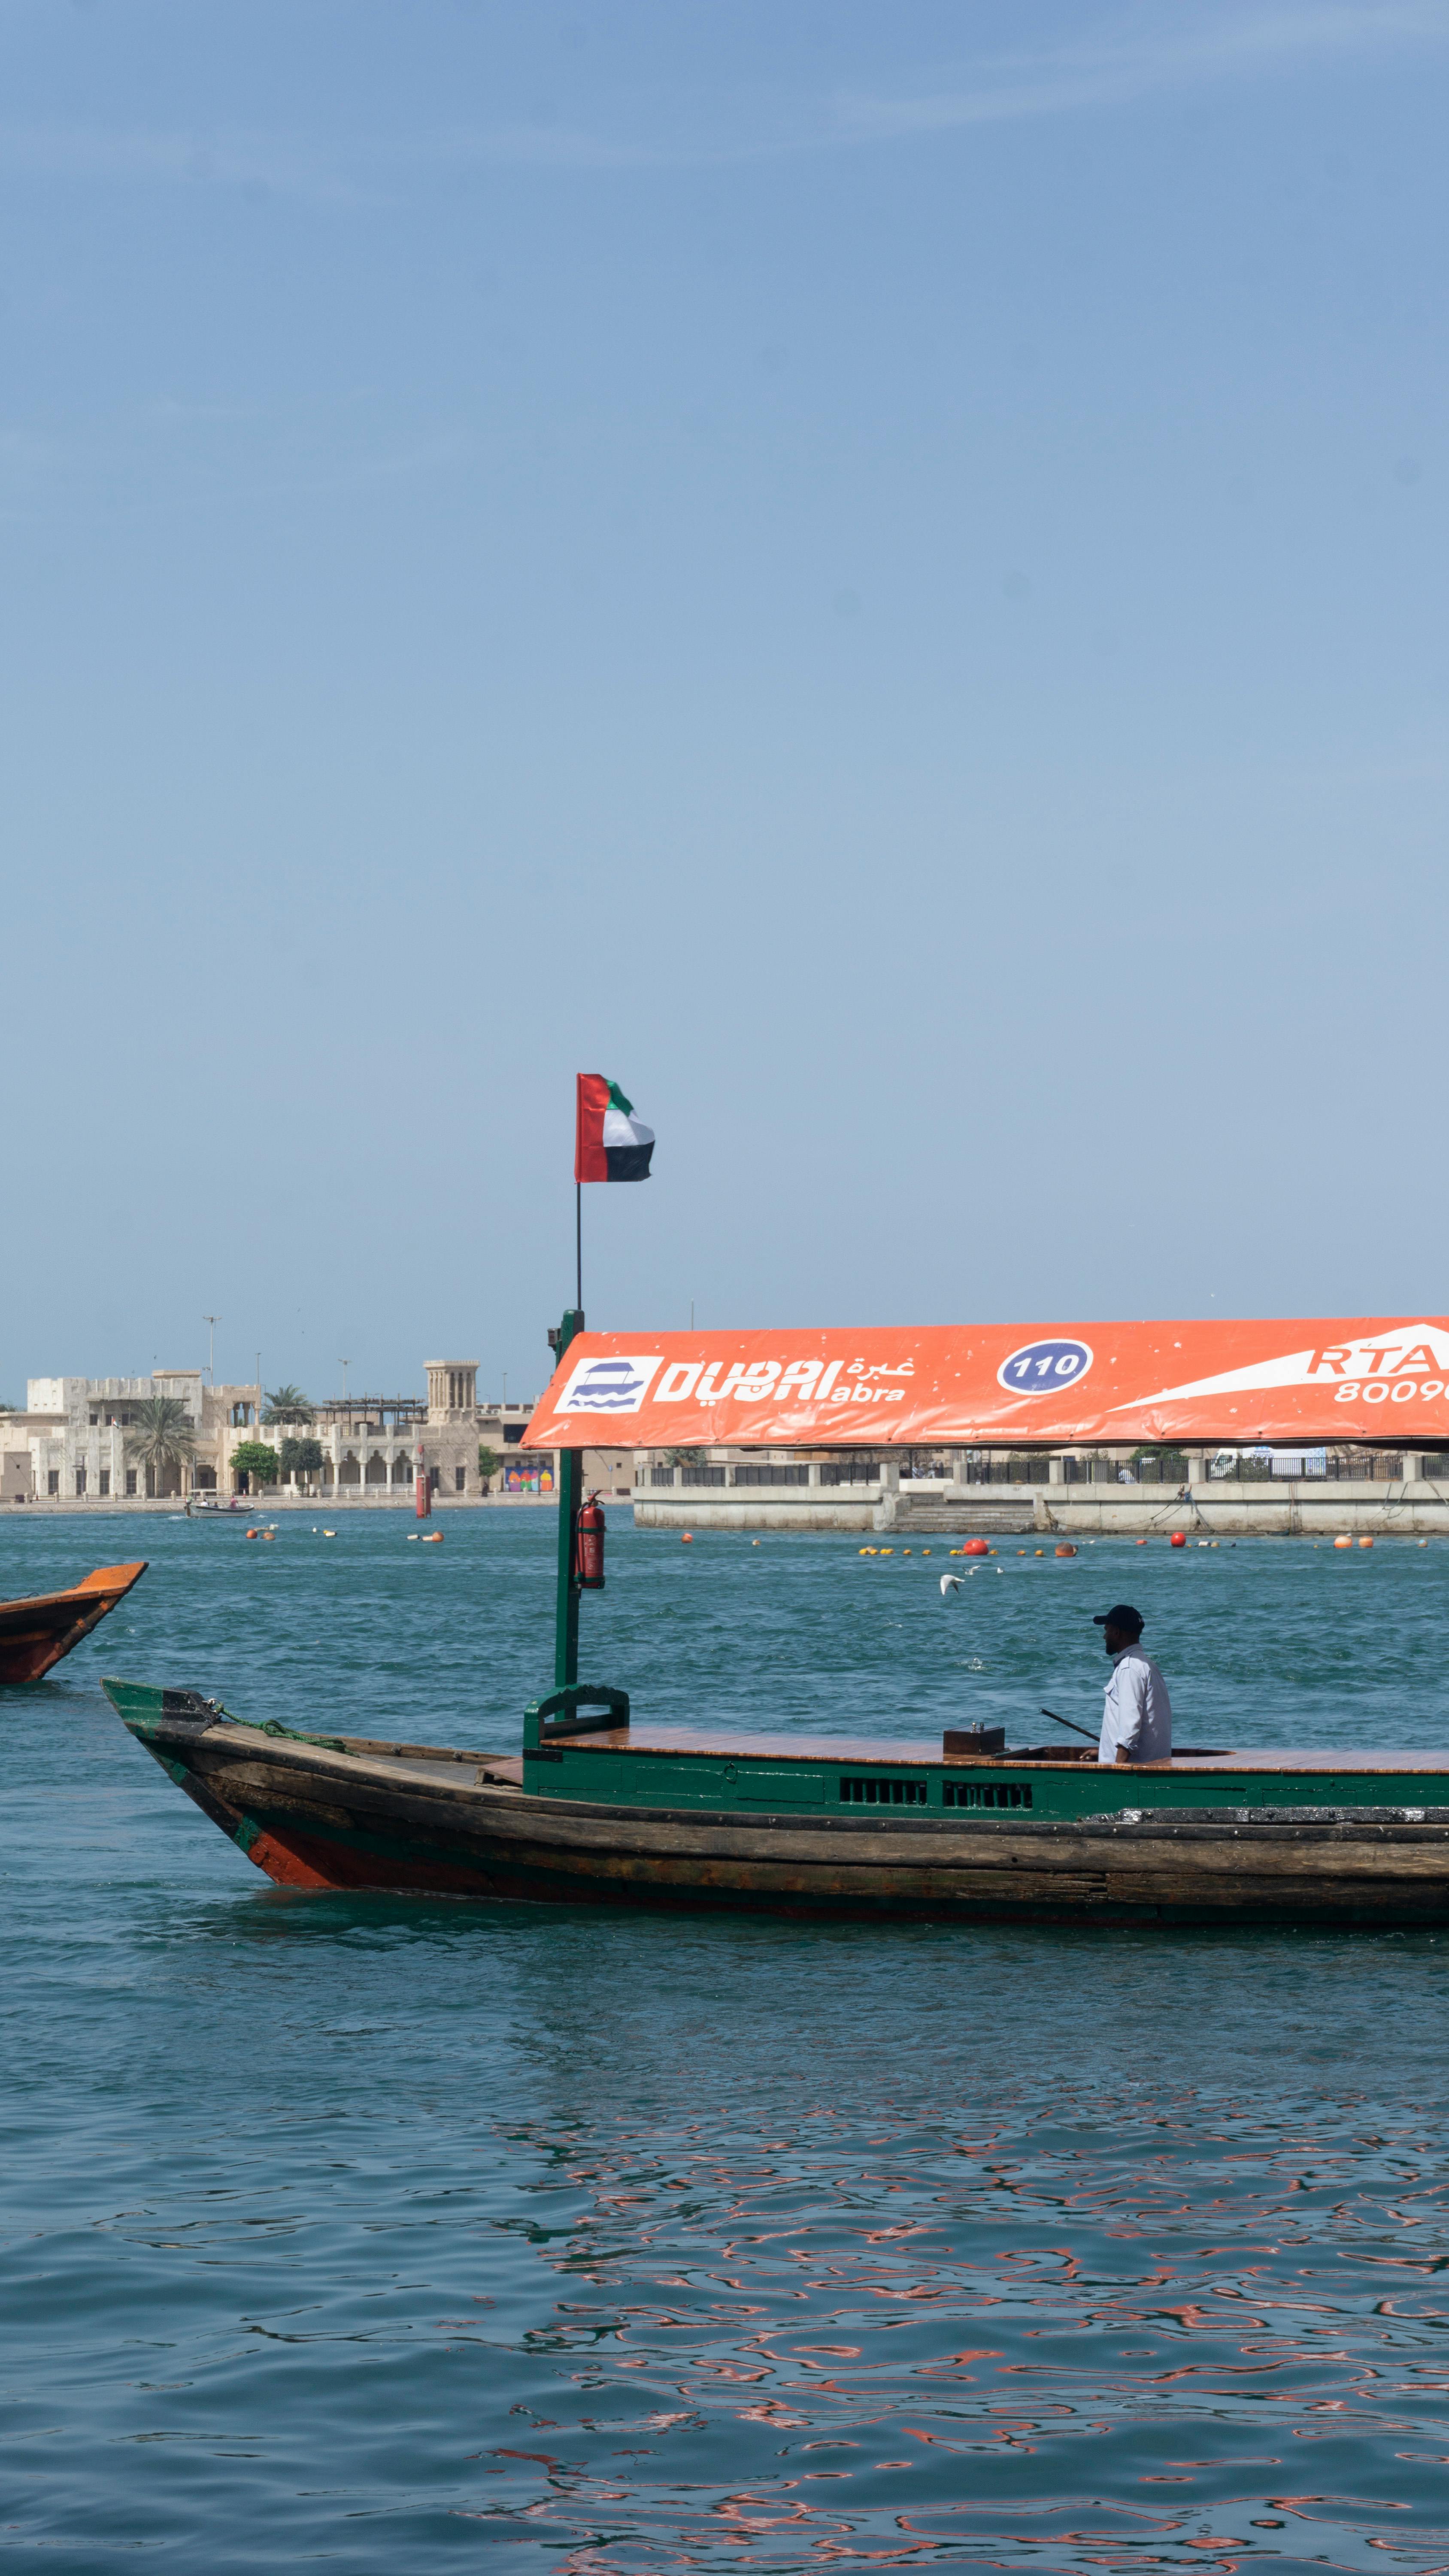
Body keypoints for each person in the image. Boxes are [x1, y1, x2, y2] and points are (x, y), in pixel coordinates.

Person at [1093, 1603, 1172, 1765]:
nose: (1104, 1637)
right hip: (1152, 1768)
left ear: (1117, 1633)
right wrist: (1102, 1750)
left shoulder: (1129, 1669)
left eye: (1106, 1630)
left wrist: (1119, 1773)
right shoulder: (1147, 1665)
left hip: (1133, 1777)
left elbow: (1129, 1732)